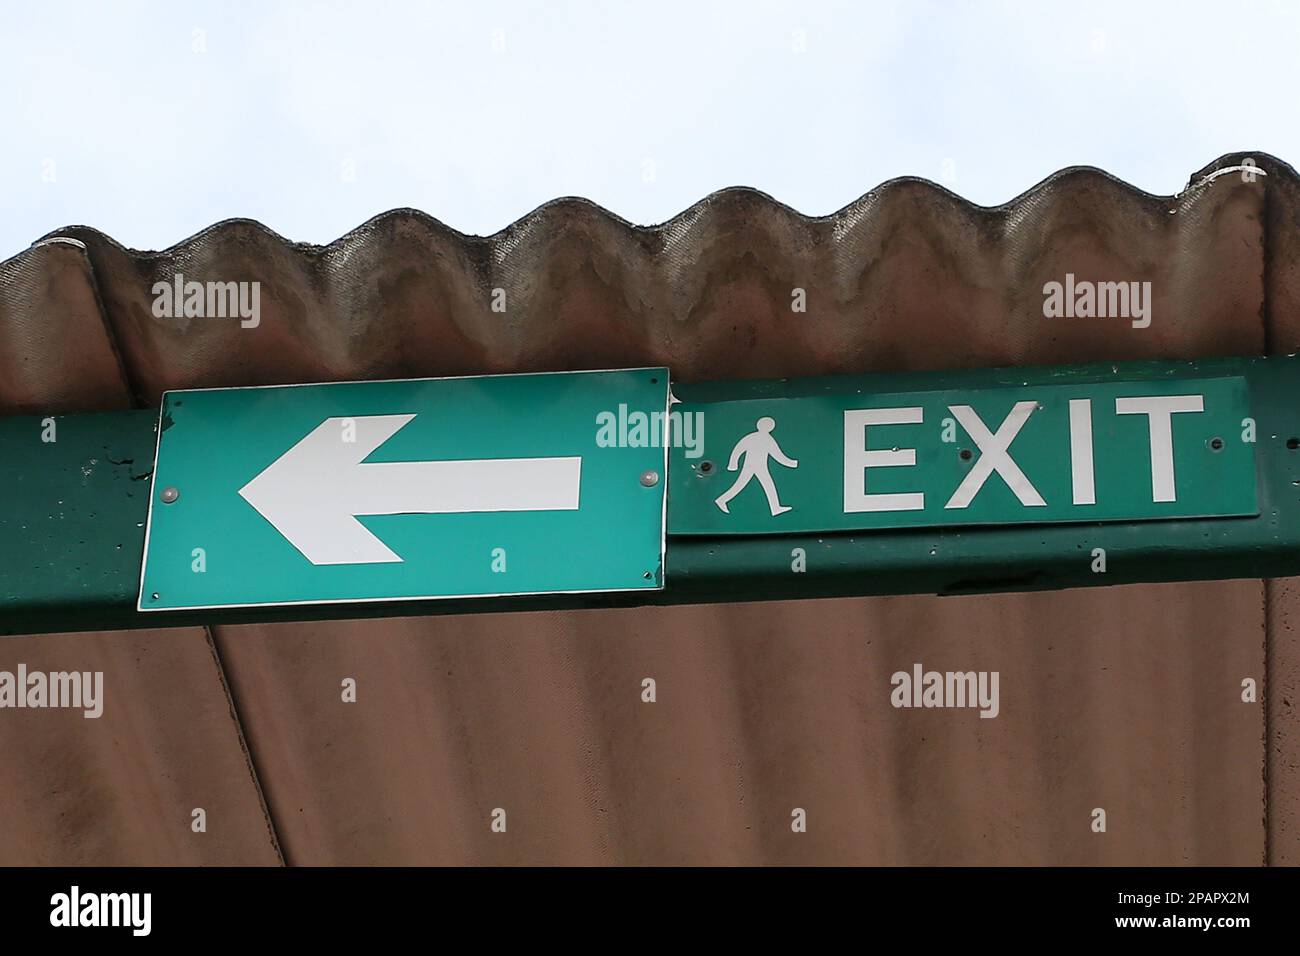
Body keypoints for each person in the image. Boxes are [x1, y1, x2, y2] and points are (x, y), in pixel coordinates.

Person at [714, 416, 798, 516]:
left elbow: (777, 454)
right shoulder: (764, 438)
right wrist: (792, 463)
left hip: (757, 467)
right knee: (746, 485)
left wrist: (733, 464)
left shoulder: (757, 437)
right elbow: (739, 449)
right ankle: (722, 500)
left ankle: (775, 507)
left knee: (753, 485)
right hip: (754, 466)